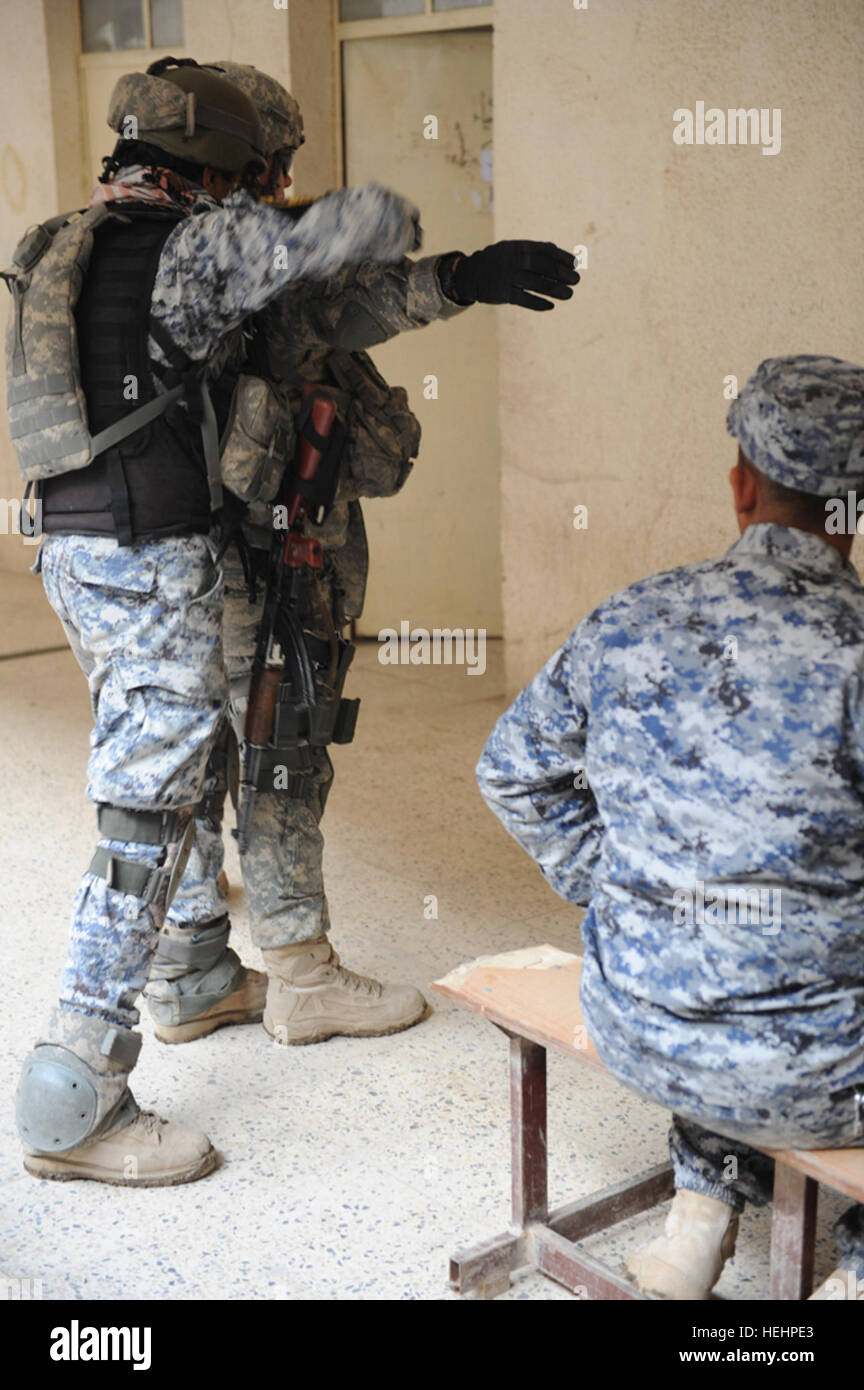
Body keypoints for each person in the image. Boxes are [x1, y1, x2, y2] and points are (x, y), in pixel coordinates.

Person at [12, 57, 428, 1187]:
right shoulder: (187, 244)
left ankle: (195, 974)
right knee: (145, 816)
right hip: (150, 556)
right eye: (257, 171)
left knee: (173, 780)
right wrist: (339, 216)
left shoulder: (64, 239)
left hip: (77, 545)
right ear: (223, 165)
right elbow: (365, 225)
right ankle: (72, 1094)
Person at [143, 61, 582, 1049]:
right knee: (283, 754)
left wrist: (465, 275)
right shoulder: (255, 258)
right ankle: (302, 978)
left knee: (185, 759)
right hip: (266, 561)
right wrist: (457, 275)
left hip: (160, 565)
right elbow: (354, 299)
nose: (285, 175)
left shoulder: (141, 256)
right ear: (245, 157)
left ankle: (185, 973)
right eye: (278, 158)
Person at [475, 355, 864, 1300]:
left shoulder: (629, 619)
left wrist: (615, 879)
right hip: (829, 1069)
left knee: (725, 941)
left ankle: (699, 1219)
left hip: (641, 1024)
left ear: (740, 487)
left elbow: (510, 774)